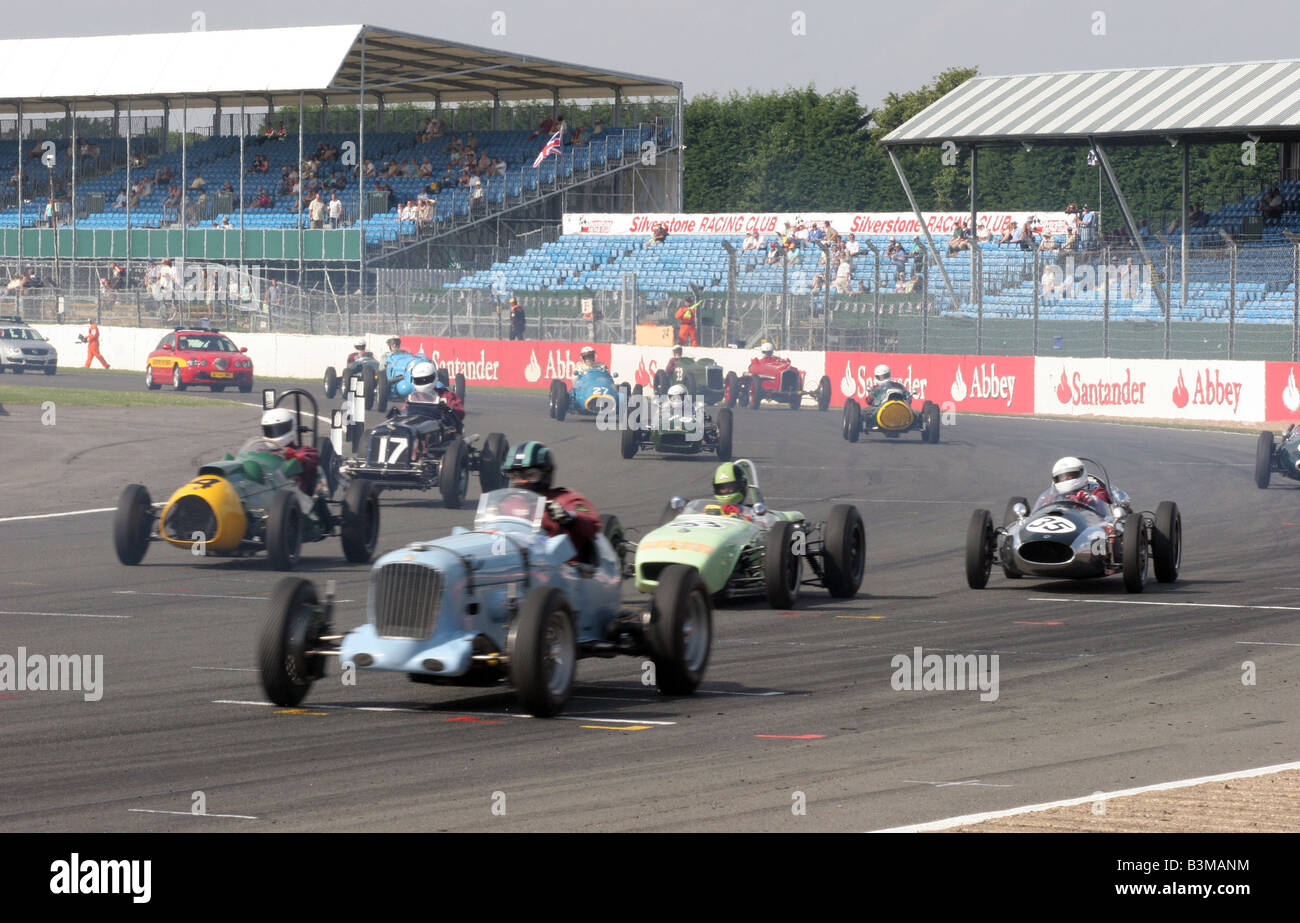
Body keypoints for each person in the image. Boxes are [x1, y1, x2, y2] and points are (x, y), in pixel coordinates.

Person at [500, 442, 599, 560]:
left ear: (546, 474)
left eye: (530, 475)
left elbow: (593, 524)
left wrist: (569, 516)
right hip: (517, 564)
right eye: (516, 476)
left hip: (563, 569)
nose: (523, 481)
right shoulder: (508, 504)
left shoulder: (566, 499)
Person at [259, 407, 320, 496]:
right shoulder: (262, 452)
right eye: (270, 430)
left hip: (297, 500)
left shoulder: (304, 451)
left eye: (278, 429)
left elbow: (310, 461)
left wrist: (296, 458)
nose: (274, 433)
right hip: (265, 496)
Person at [1035, 456, 1123, 517]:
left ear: (1081, 472)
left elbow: (1103, 507)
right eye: (1062, 477)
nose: (1066, 479)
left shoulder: (1097, 491)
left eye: (1070, 475)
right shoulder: (1052, 497)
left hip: (1088, 526)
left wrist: (1091, 501)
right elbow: (1042, 512)